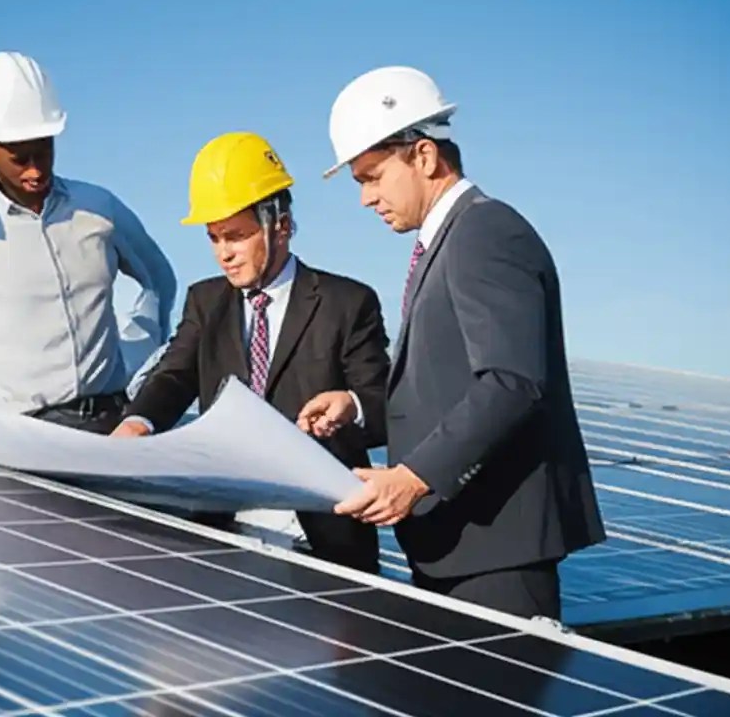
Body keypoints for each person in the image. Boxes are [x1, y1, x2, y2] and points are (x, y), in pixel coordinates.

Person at [323, 66, 606, 618]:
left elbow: (512, 381)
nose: (365, 199)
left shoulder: (484, 231)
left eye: (372, 177)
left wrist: (414, 477)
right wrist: (357, 407)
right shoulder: (450, 241)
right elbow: (441, 389)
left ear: (424, 156)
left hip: (496, 551)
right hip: (459, 544)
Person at [112, 132, 391, 574]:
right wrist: (138, 422)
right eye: (213, 238)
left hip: (323, 536)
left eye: (236, 236)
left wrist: (351, 405)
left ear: (280, 225)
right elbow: (174, 375)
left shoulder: (348, 303)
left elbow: (383, 405)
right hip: (223, 527)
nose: (224, 253)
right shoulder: (205, 302)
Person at [0, 51, 176, 433]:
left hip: (112, 424)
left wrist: (139, 348)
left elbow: (160, 279)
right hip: (19, 436)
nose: (36, 170)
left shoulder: (100, 210)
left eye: (44, 150)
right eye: (19, 157)